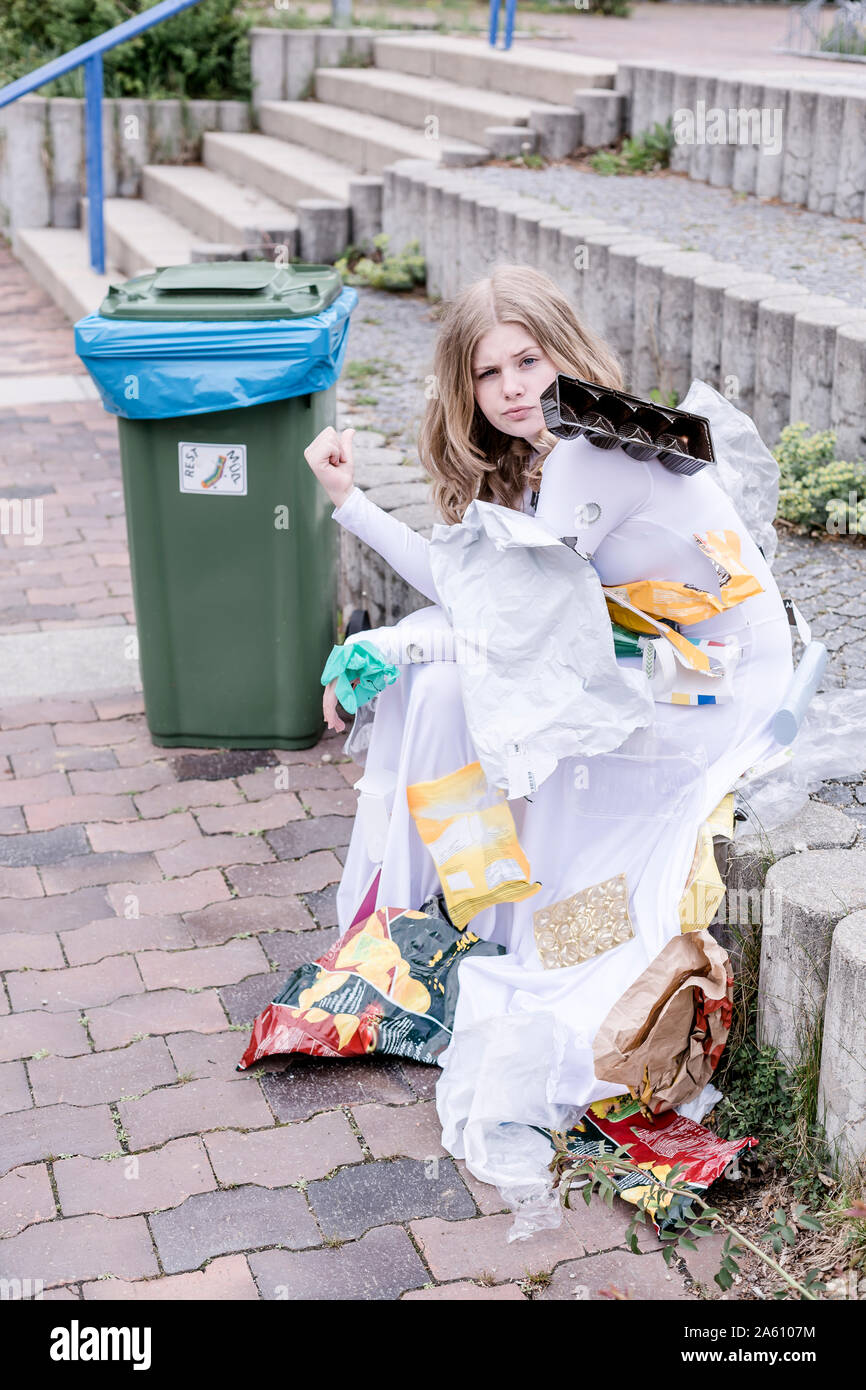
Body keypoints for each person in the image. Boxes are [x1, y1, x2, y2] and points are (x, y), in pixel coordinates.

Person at [303, 264, 795, 1227]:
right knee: (464, 699)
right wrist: (349, 501)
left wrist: (385, 643)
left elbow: (518, 638)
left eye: (529, 360)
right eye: (491, 374)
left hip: (711, 685)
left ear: (566, 350)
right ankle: (473, 917)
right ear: (470, 391)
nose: (515, 387)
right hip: (667, 664)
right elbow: (487, 604)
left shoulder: (585, 456)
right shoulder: (560, 454)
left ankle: (524, 940)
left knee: (539, 762)